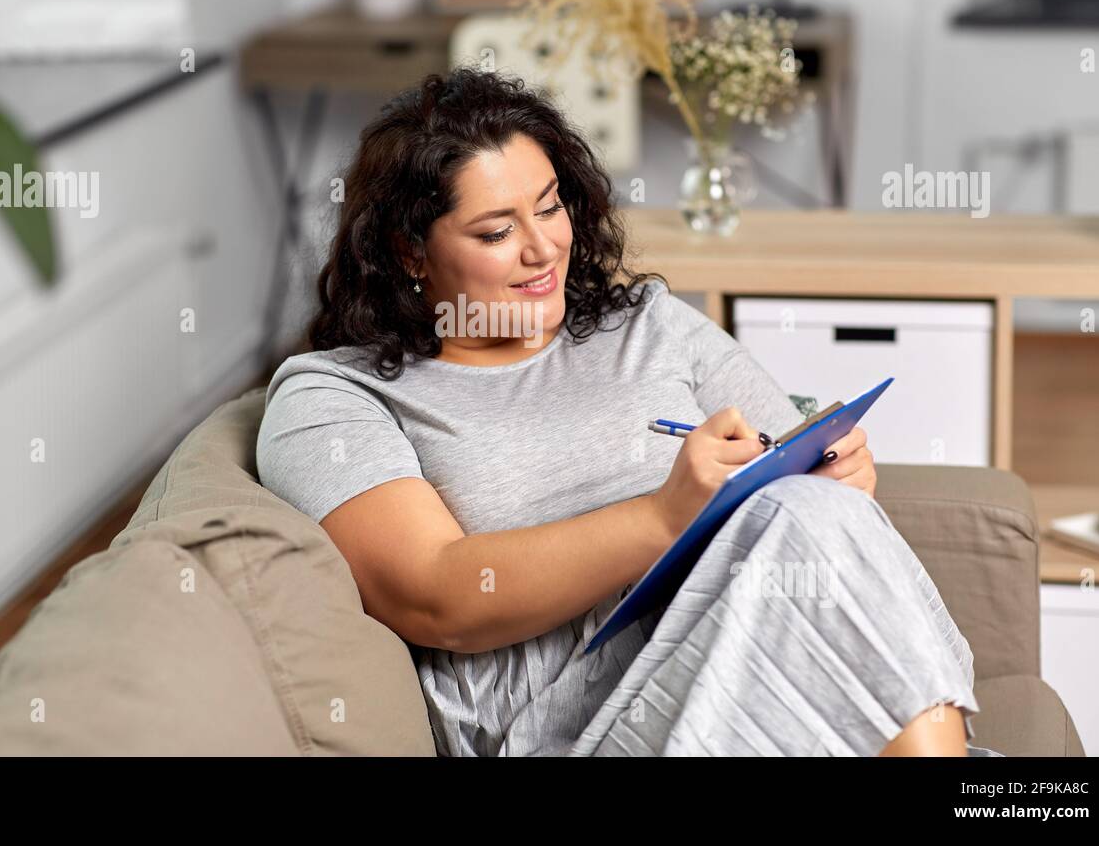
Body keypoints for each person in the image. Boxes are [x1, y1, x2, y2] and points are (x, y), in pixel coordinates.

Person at [256, 67, 995, 757]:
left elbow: (792, 465)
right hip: (559, 717)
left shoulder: (648, 323)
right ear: (409, 251)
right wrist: (663, 516)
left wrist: (835, 467)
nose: (544, 248)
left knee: (813, 509)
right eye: (495, 232)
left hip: (743, 639)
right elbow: (437, 594)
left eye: (550, 208)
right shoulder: (335, 396)